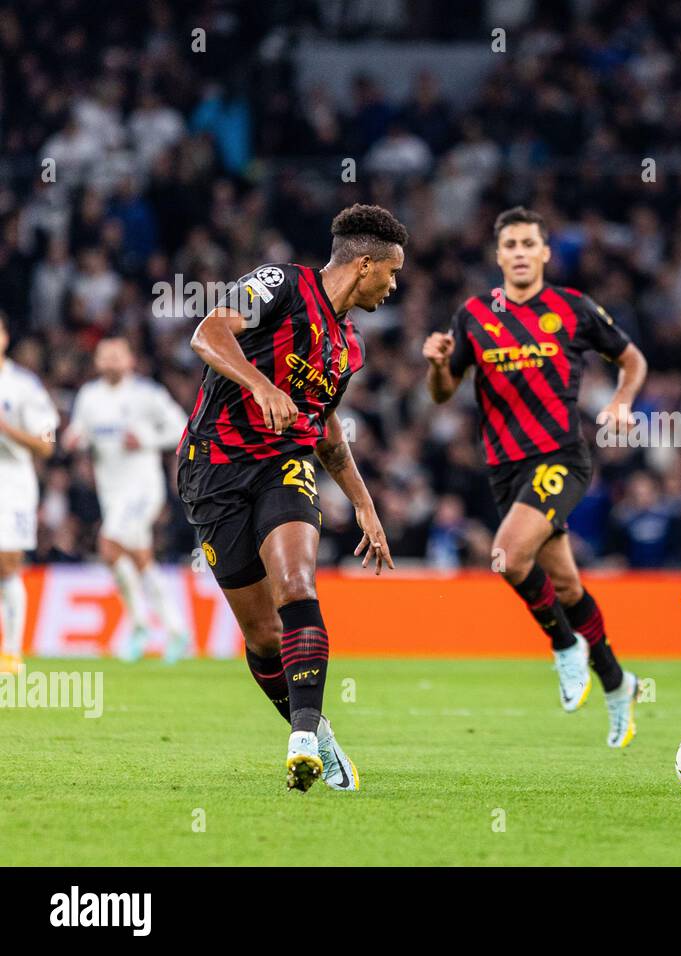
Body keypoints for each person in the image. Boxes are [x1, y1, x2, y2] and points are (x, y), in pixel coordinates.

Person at [179, 204, 401, 791]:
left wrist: (364, 503)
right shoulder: (281, 283)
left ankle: (301, 736)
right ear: (365, 264)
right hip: (214, 469)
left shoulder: (347, 348)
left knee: (297, 585)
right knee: (261, 638)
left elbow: (325, 431)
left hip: (285, 464)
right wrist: (260, 383)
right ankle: (322, 735)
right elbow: (207, 333)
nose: (393, 286)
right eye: (391, 273)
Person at [423, 206, 648, 748]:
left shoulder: (573, 309)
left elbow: (633, 359)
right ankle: (619, 683)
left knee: (507, 555)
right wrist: (436, 363)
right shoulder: (473, 315)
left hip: (560, 458)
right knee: (567, 585)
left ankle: (564, 646)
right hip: (505, 469)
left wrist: (621, 401)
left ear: (546, 252)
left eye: (530, 244)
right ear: (498, 255)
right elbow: (442, 392)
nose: (521, 253)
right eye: (511, 245)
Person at [65, 337, 192, 662]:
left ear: (129, 360)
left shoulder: (146, 395)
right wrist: (73, 440)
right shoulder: (89, 396)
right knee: (139, 557)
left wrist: (148, 438)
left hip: (143, 488)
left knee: (108, 545)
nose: (110, 362)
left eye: (116, 356)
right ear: (96, 362)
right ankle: (175, 629)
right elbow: (78, 432)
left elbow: (181, 427)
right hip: (111, 492)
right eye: (104, 357)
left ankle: (139, 624)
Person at [0, 312, 58, 673]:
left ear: (5, 337)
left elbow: (47, 444)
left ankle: (12, 651)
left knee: (7, 562)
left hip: (12, 481)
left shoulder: (24, 386)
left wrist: (6, 429)